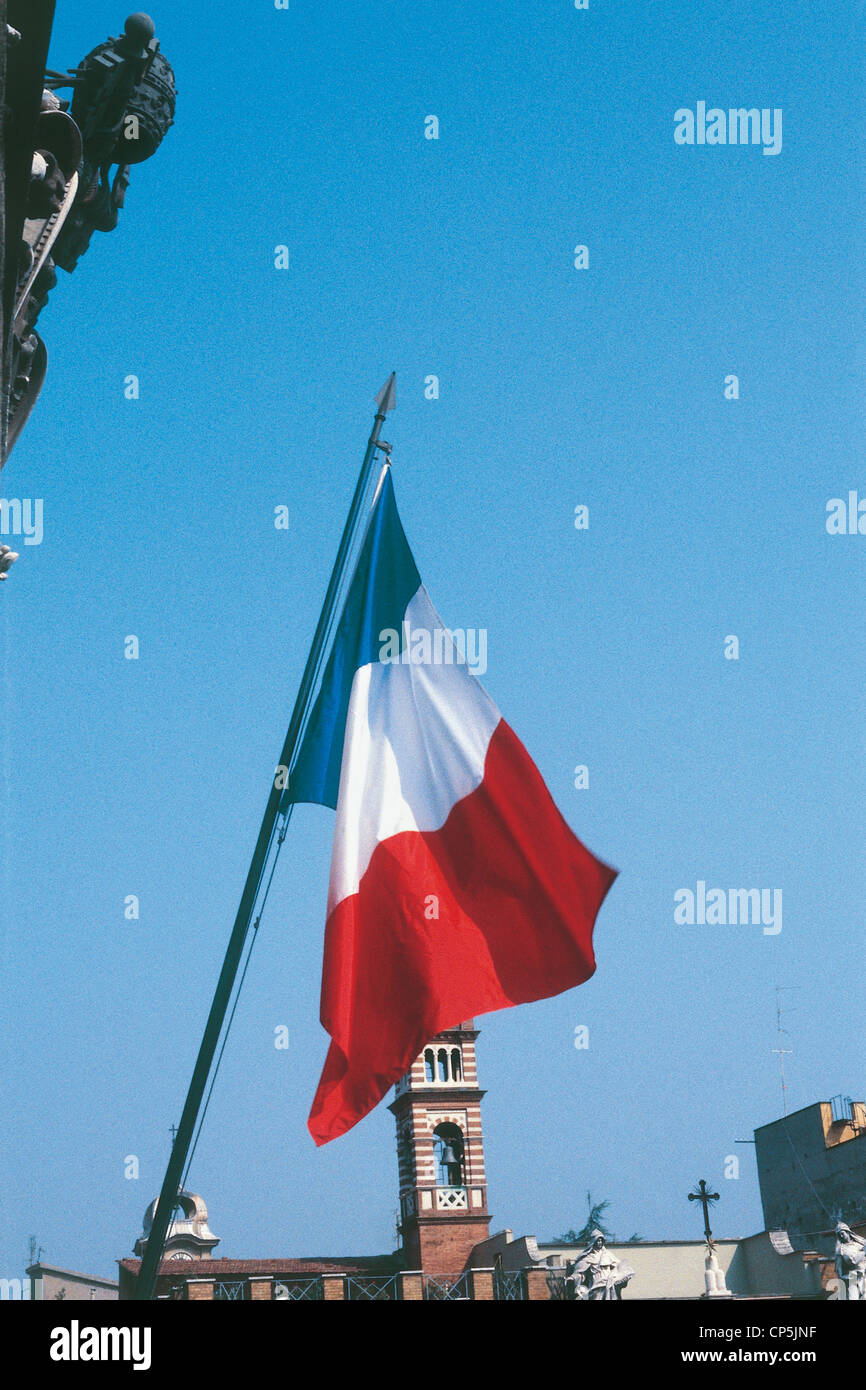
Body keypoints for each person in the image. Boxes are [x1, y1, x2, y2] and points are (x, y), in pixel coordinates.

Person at [570, 1229, 633, 1300]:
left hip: (609, 1283)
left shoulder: (608, 1255)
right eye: (597, 1241)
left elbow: (618, 1266)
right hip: (596, 1285)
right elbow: (580, 1273)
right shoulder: (588, 1257)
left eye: (601, 1241)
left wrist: (623, 1275)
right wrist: (573, 1278)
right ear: (593, 1242)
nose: (599, 1243)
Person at [834, 1222, 866, 1300]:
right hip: (852, 1278)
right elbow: (852, 1261)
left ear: (847, 1232)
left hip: (863, 1276)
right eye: (839, 1235)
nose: (841, 1236)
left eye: (842, 1233)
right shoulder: (842, 1249)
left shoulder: (859, 1244)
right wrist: (864, 1252)